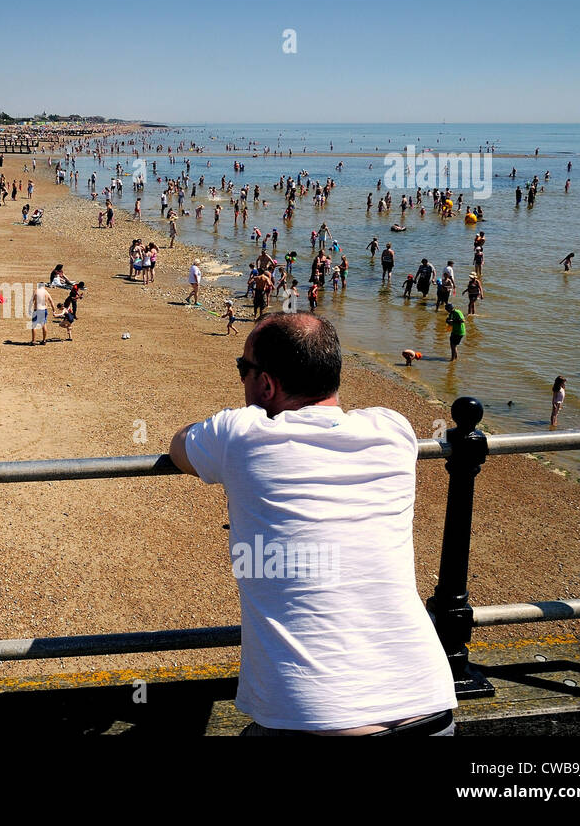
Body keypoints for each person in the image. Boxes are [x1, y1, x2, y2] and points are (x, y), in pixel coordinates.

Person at [168, 313, 456, 735]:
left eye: (242, 369)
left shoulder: (240, 434)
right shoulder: (393, 429)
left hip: (315, 722)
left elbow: (178, 445)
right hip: (428, 705)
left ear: (266, 384)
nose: (241, 379)